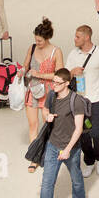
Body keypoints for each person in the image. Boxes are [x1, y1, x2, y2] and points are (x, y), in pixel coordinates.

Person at [23, 69, 87, 198]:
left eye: (58, 82)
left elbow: (79, 129)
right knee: (47, 183)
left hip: (70, 148)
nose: (54, 85)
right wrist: (47, 115)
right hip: (52, 145)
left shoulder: (76, 101)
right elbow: (45, 110)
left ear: (66, 84)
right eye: (54, 81)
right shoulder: (52, 95)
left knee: (76, 177)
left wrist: (67, 150)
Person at [66, 25, 99, 179]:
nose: (75, 39)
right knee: (83, 134)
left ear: (87, 37)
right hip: (79, 102)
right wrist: (73, 72)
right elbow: (65, 75)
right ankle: (89, 161)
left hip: (97, 100)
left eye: (77, 37)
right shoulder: (73, 54)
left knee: (96, 133)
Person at [23, 18, 64, 159]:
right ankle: (34, 156)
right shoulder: (32, 48)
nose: (37, 43)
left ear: (47, 39)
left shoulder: (56, 52)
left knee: (49, 124)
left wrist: (39, 74)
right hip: (33, 90)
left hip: (49, 92)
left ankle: (48, 154)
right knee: (32, 124)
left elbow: (59, 75)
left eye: (40, 41)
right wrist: (22, 71)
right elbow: (26, 65)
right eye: (36, 40)